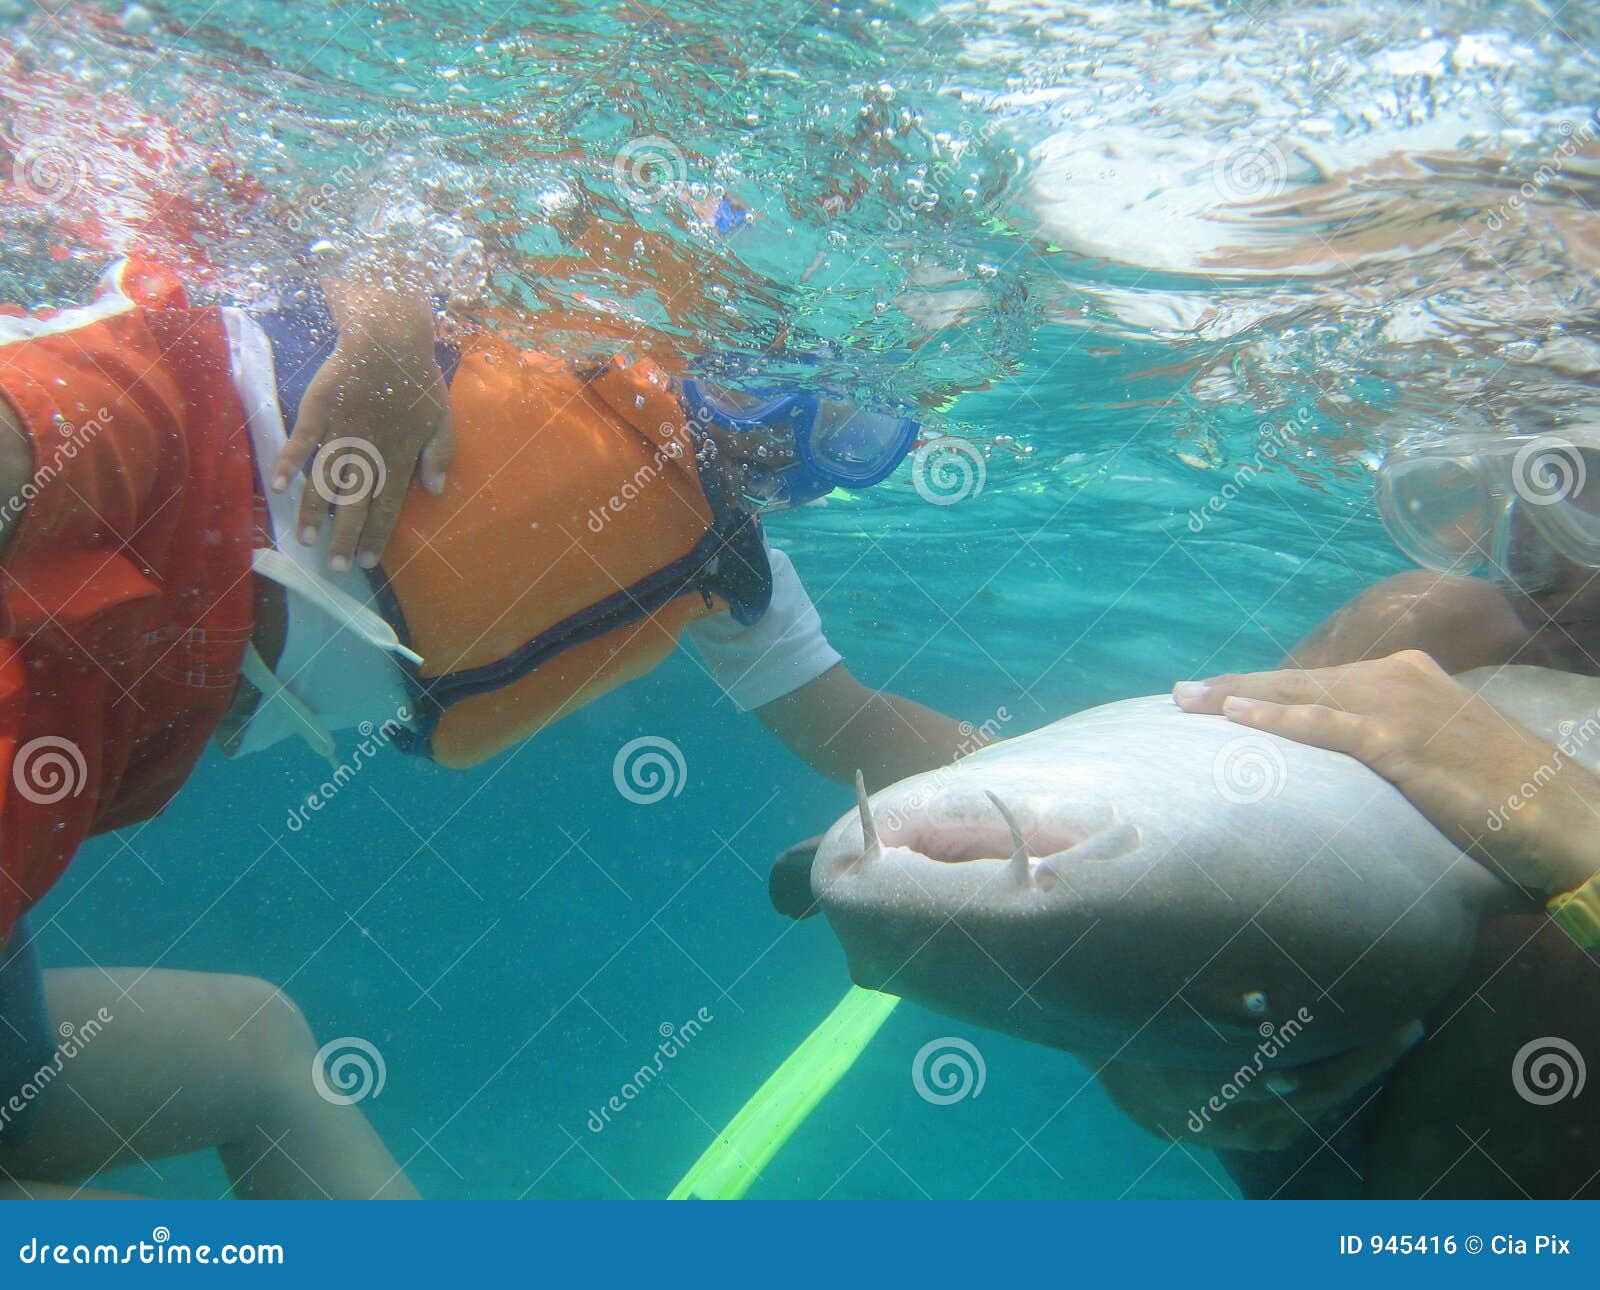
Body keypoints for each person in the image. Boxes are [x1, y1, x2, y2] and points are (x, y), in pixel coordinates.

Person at [0, 256, 969, 1198]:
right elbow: (374, 218)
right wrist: (385, 345)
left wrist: (1092, 777)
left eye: (845, 432)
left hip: (128, 701)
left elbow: (857, 732)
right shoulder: (566, 324)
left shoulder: (731, 579)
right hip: (172, 423)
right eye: (766, 384)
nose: (781, 435)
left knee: (257, 1050)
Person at [1093, 431, 1600, 1197]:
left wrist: (1581, 837)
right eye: (1500, 489)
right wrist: (1130, 1045)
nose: (1525, 555)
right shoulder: (1420, 634)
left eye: (1585, 483)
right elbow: (1179, 858)